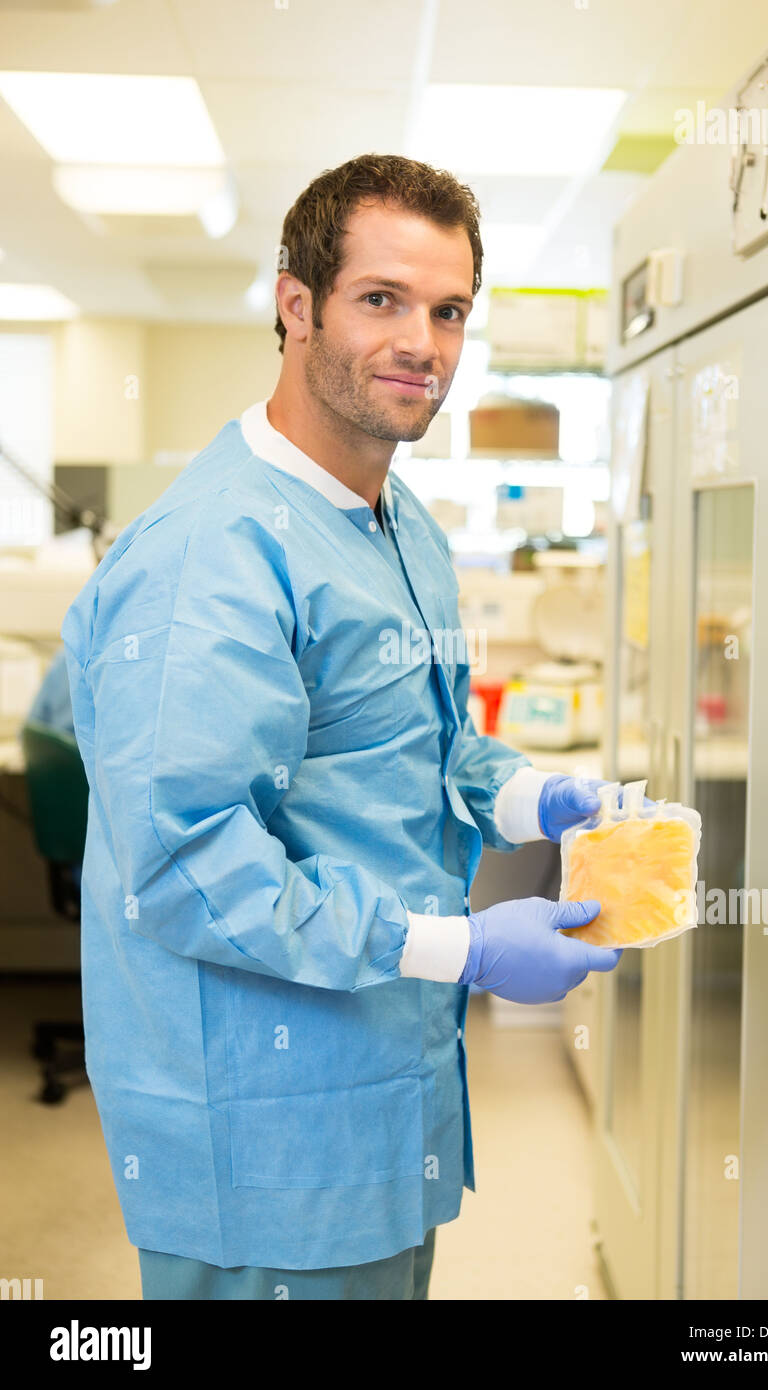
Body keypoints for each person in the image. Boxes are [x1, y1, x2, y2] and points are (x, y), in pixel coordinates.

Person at [62, 154, 622, 1302]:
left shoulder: (395, 518)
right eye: (381, 299)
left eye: (448, 309)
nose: (421, 340)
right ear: (295, 305)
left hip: (383, 1088)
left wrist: (527, 795)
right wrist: (465, 949)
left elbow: (413, 741)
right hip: (264, 1137)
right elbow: (189, 866)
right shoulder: (211, 555)